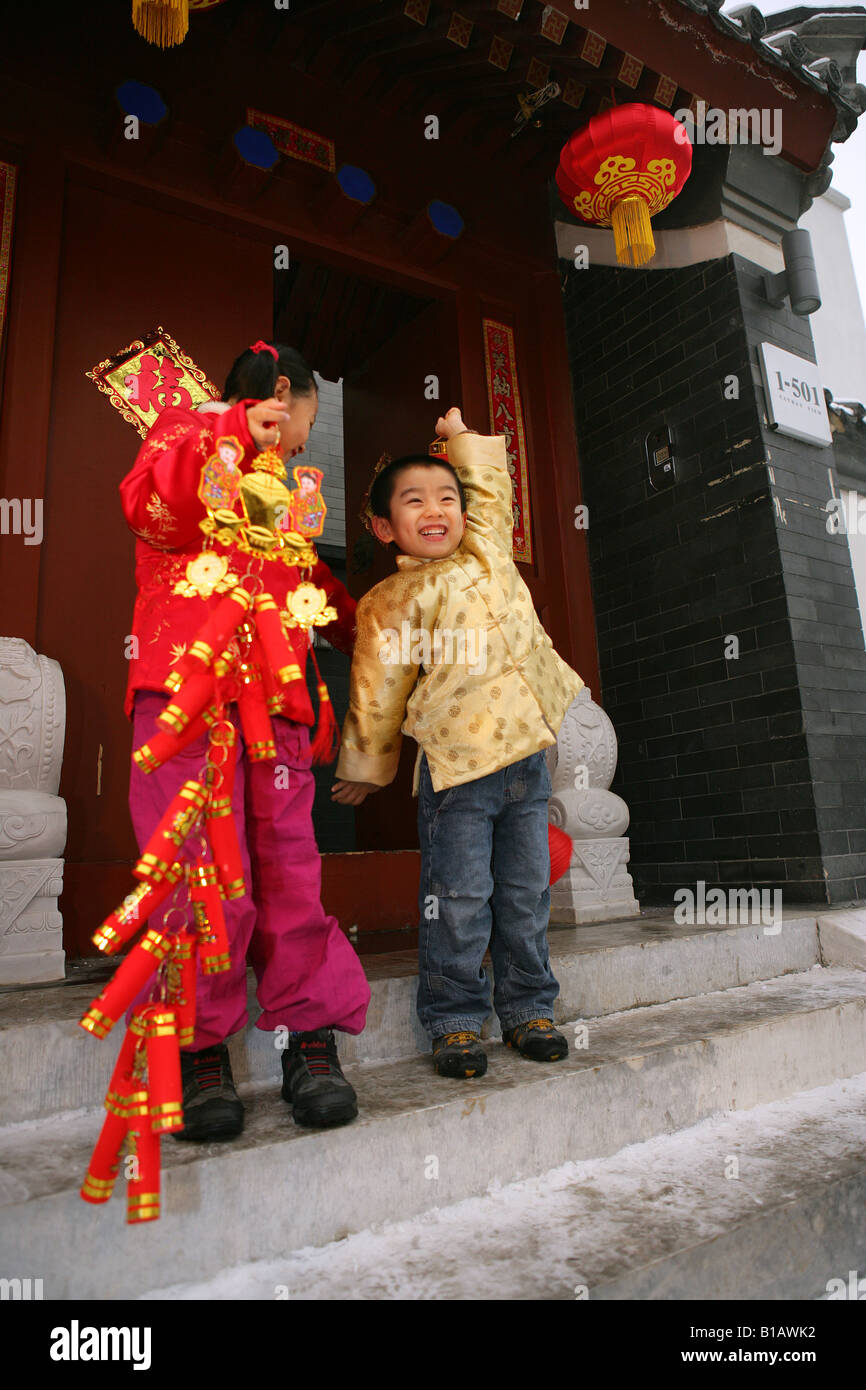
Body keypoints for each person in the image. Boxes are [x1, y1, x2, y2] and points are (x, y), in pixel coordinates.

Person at [120, 340, 370, 1139]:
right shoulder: (183, 434)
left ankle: (310, 1037)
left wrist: (382, 625)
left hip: (277, 706)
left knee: (291, 870)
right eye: (308, 420)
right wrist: (228, 429)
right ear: (282, 396)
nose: (304, 438)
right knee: (194, 870)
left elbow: (308, 591)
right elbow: (151, 506)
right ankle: (198, 1049)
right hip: (186, 695)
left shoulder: (292, 494)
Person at [332, 406, 584, 1078]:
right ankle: (454, 1019)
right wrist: (368, 762)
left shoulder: (488, 550)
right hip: (457, 771)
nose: (436, 509)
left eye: (448, 497)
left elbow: (492, 492)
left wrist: (462, 439)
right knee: (460, 898)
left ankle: (530, 1006)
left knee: (527, 892)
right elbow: (377, 687)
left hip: (528, 760)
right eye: (415, 501)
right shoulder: (390, 599)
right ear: (386, 527)